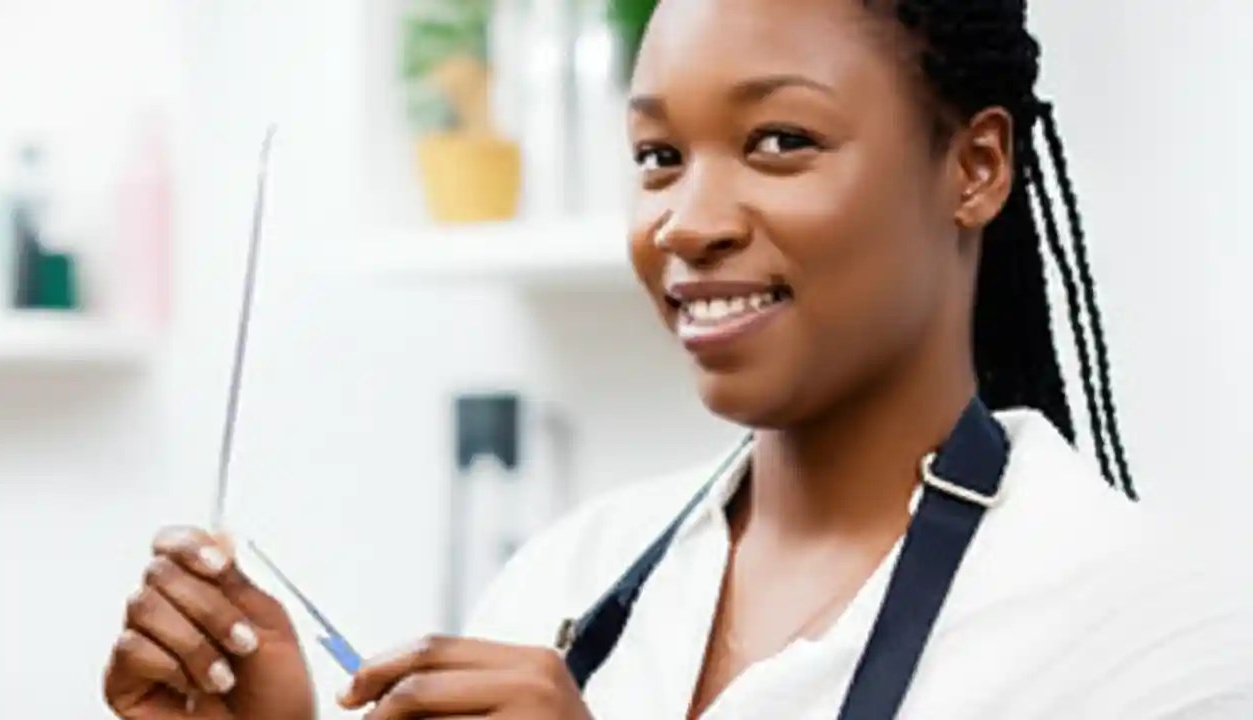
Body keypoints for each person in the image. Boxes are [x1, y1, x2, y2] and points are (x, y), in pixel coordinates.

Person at [102, 0, 1252, 718]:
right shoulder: (558, 580)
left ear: (974, 166)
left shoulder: (1160, 637)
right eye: (657, 155)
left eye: (778, 141)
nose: (685, 221)